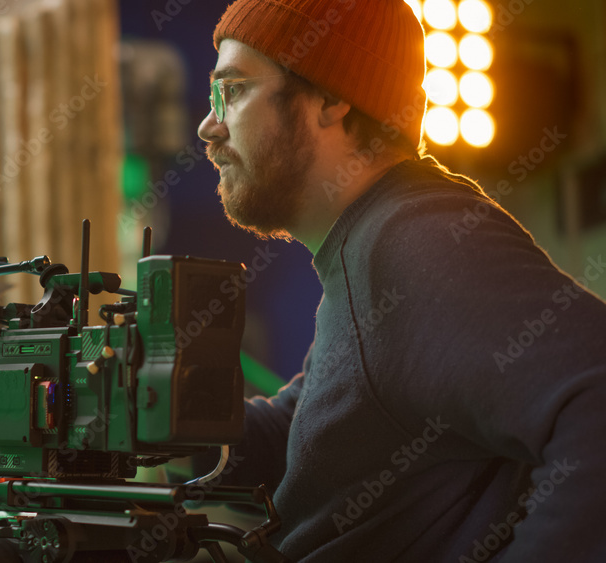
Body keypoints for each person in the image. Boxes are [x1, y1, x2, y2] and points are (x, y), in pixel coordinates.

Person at [194, 1, 606, 561]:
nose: (208, 125)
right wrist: (159, 413)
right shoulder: (367, 247)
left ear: (330, 97)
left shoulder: (419, 243)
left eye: (233, 90)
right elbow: (322, 432)